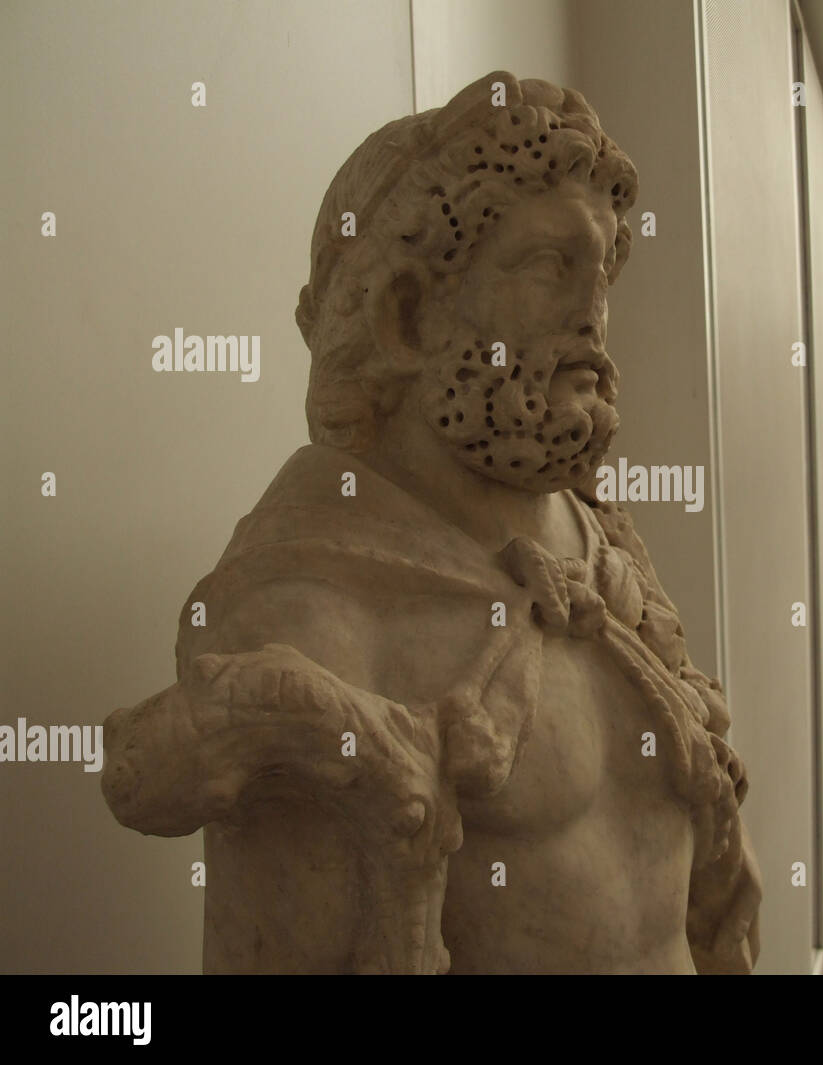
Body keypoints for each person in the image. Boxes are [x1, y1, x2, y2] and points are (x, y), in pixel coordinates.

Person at [101, 71, 759, 975]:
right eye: (548, 267)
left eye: (601, 268)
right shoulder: (309, 620)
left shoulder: (601, 553)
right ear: (405, 316)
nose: (594, 314)